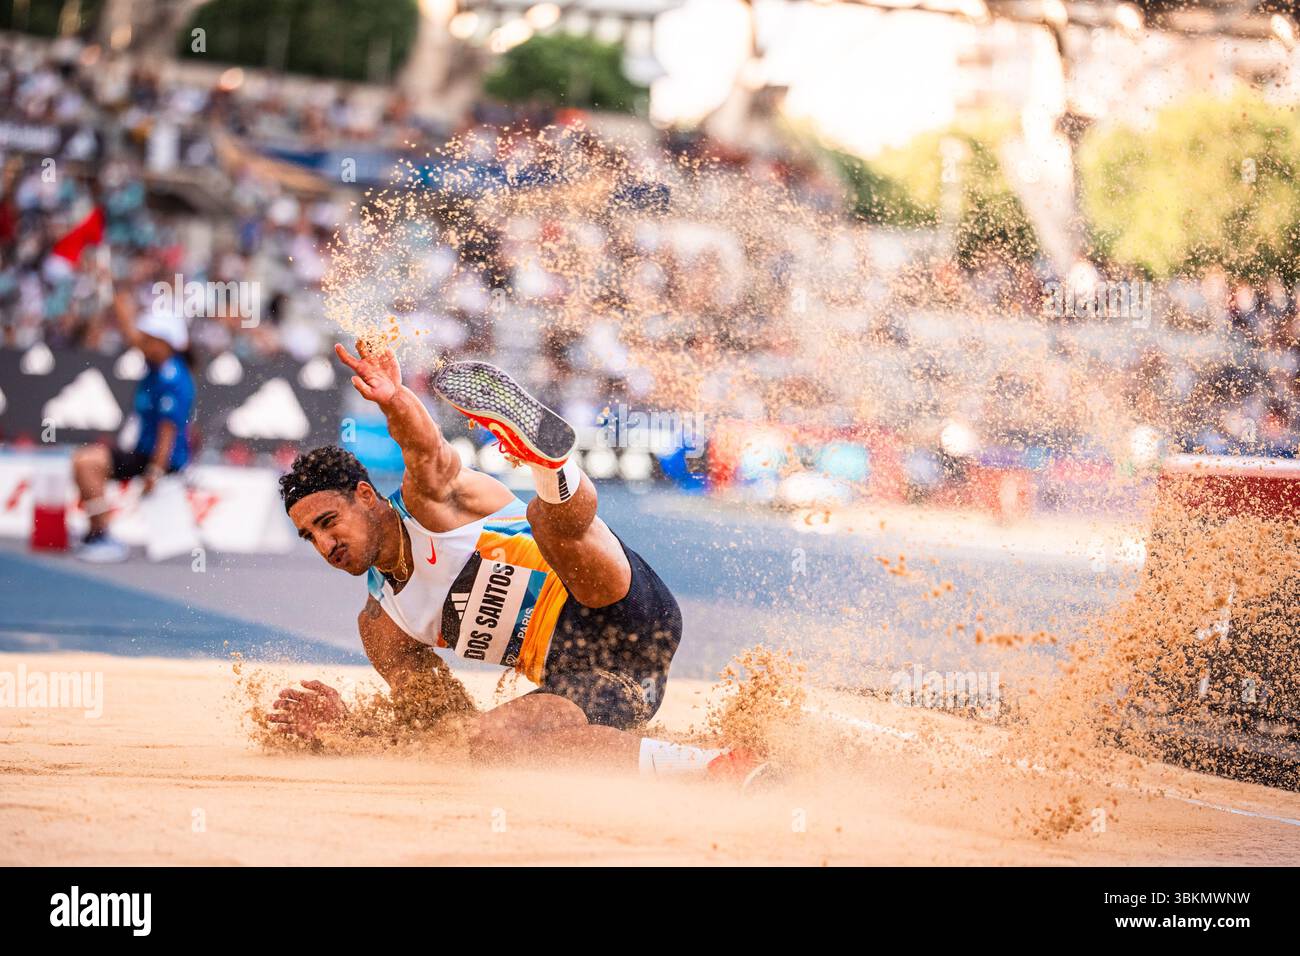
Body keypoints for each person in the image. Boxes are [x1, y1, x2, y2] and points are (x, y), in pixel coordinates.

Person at [271, 341, 765, 784]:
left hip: (621, 607)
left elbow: (424, 448)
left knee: (546, 521)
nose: (324, 543)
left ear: (365, 495)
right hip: (597, 681)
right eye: (309, 536)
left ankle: (550, 467)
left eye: (328, 520)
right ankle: (719, 765)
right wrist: (349, 729)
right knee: (489, 744)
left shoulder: (430, 503)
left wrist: (396, 400)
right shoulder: (383, 626)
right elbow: (442, 729)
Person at [72, 293, 195, 562]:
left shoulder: (173, 379)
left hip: (160, 459)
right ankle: (96, 533)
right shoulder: (156, 361)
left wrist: (155, 471)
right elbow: (133, 335)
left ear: (166, 343)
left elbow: (168, 432)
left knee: (88, 463)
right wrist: (116, 294)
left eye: (150, 338)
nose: (142, 342)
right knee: (82, 459)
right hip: (142, 451)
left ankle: (102, 534)